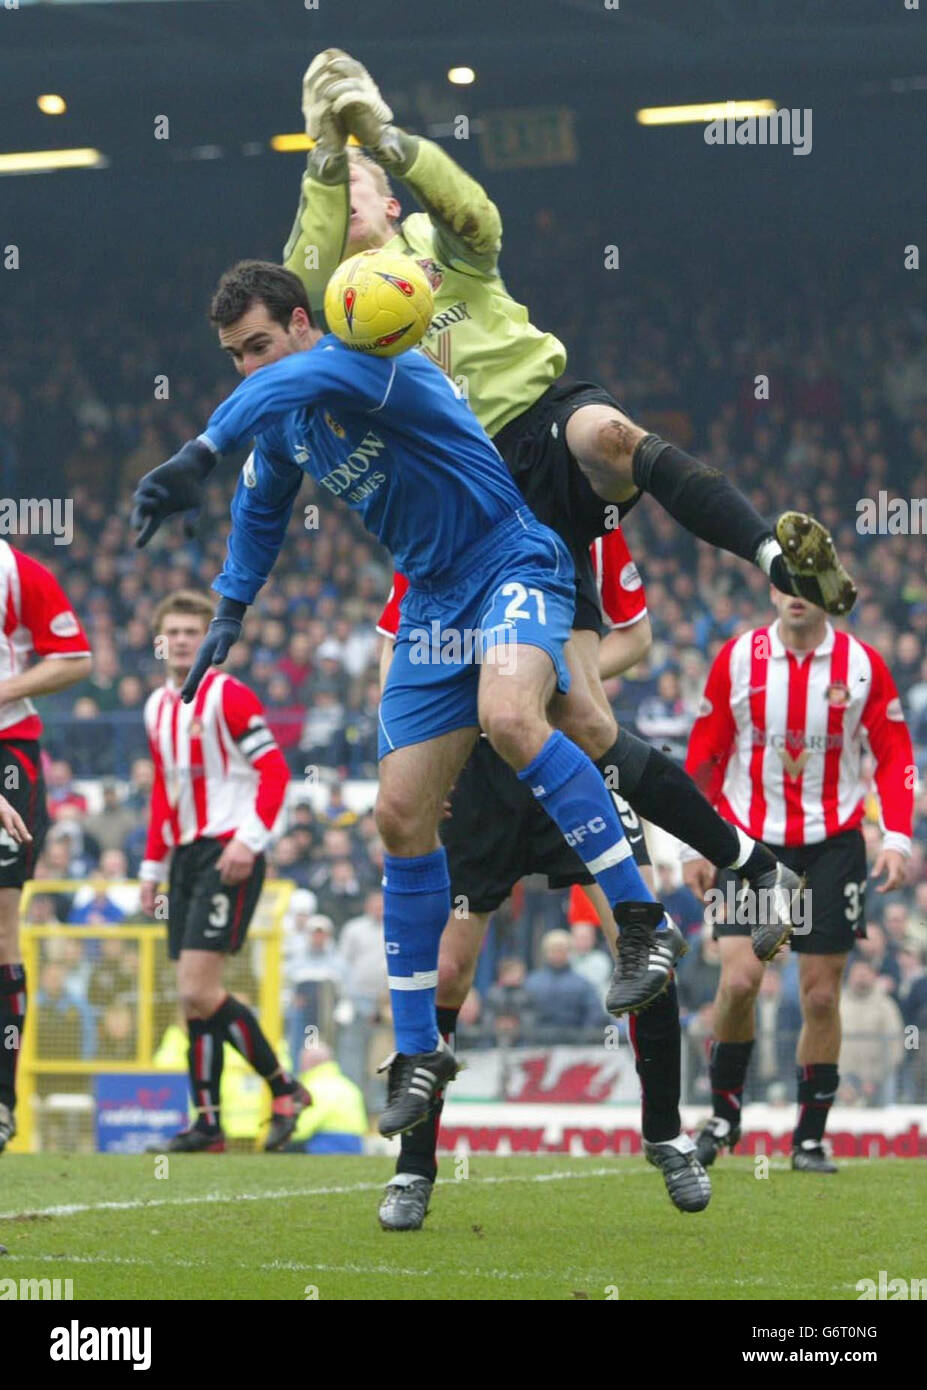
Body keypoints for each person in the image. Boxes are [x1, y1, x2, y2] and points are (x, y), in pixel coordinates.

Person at [287, 47, 854, 968]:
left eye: (365, 184)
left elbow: (478, 213)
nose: (352, 195)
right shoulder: (333, 311)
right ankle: (751, 864)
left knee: (612, 438)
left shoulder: (436, 254)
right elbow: (300, 259)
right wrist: (322, 146)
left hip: (543, 418)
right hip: (487, 506)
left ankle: (773, 557)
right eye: (342, 187)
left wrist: (388, 140)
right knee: (583, 723)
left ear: (392, 201)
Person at [131, 262, 693, 1146]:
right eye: (234, 356)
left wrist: (196, 452)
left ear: (304, 323)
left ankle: (641, 923)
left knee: (513, 718)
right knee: (398, 816)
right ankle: (421, 1050)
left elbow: (292, 385)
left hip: (510, 561)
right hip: (430, 603)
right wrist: (231, 610)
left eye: (260, 345)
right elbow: (262, 511)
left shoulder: (368, 361)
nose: (249, 368)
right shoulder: (282, 421)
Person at [375, 526, 711, 1221]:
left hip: (567, 757)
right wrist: (412, 750)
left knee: (639, 936)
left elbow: (635, 637)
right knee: (449, 971)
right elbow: (396, 643)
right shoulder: (447, 514)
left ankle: (665, 1133)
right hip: (474, 773)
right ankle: (414, 1167)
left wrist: (552, 676)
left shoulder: (587, 520)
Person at [683, 587, 915, 1172]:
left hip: (831, 847)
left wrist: (897, 837)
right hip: (748, 843)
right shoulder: (739, 658)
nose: (794, 596)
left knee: (818, 995)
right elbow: (706, 752)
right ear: (769, 588)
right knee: (738, 983)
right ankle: (723, 1115)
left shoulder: (862, 665)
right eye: (784, 583)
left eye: (808, 585)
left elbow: (894, 753)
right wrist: (693, 841)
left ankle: (809, 1138)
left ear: (829, 593)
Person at [138, 589, 307, 1153]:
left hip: (228, 851)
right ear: (159, 640)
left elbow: (276, 770)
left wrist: (250, 841)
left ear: (208, 639)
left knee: (196, 986)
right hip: (185, 857)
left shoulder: (227, 695)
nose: (183, 641)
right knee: (192, 1000)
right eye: (175, 632)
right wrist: (150, 868)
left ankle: (284, 1089)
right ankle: (208, 1123)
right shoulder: (156, 707)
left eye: (193, 631)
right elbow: (165, 791)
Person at [0, 540, 92, 1153]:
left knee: (2, 930)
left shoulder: (13, 571)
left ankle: (3, 1101)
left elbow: (75, 657)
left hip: (10, 751)